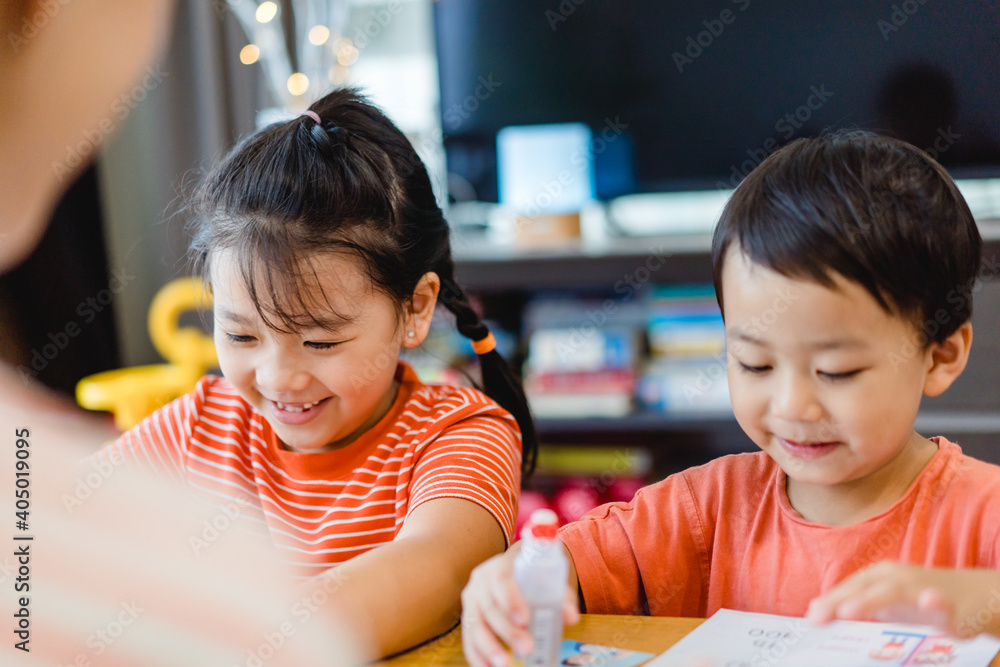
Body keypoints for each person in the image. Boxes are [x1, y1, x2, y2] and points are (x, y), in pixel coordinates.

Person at [460, 131, 1000, 667]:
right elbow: (569, 562)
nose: (792, 405)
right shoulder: (706, 509)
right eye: (755, 364)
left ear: (941, 355)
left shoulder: (982, 512)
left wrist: (979, 604)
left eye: (837, 371)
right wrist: (515, 580)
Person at [91, 86, 538, 658]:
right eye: (240, 335)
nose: (279, 377)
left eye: (320, 341)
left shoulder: (460, 435)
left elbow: (440, 570)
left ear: (416, 309)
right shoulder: (200, 426)